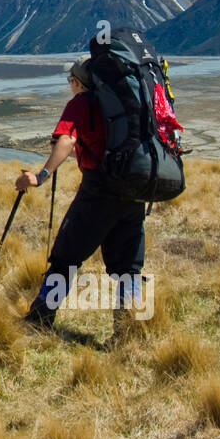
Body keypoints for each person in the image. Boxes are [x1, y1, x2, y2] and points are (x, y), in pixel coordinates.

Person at [16, 55, 146, 341]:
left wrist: (41, 176)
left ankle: (39, 319)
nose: (70, 86)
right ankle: (129, 333)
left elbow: (67, 140)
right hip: (134, 191)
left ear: (78, 81)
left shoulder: (81, 103)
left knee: (66, 257)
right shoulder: (127, 102)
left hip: (99, 193)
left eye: (70, 81)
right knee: (129, 266)